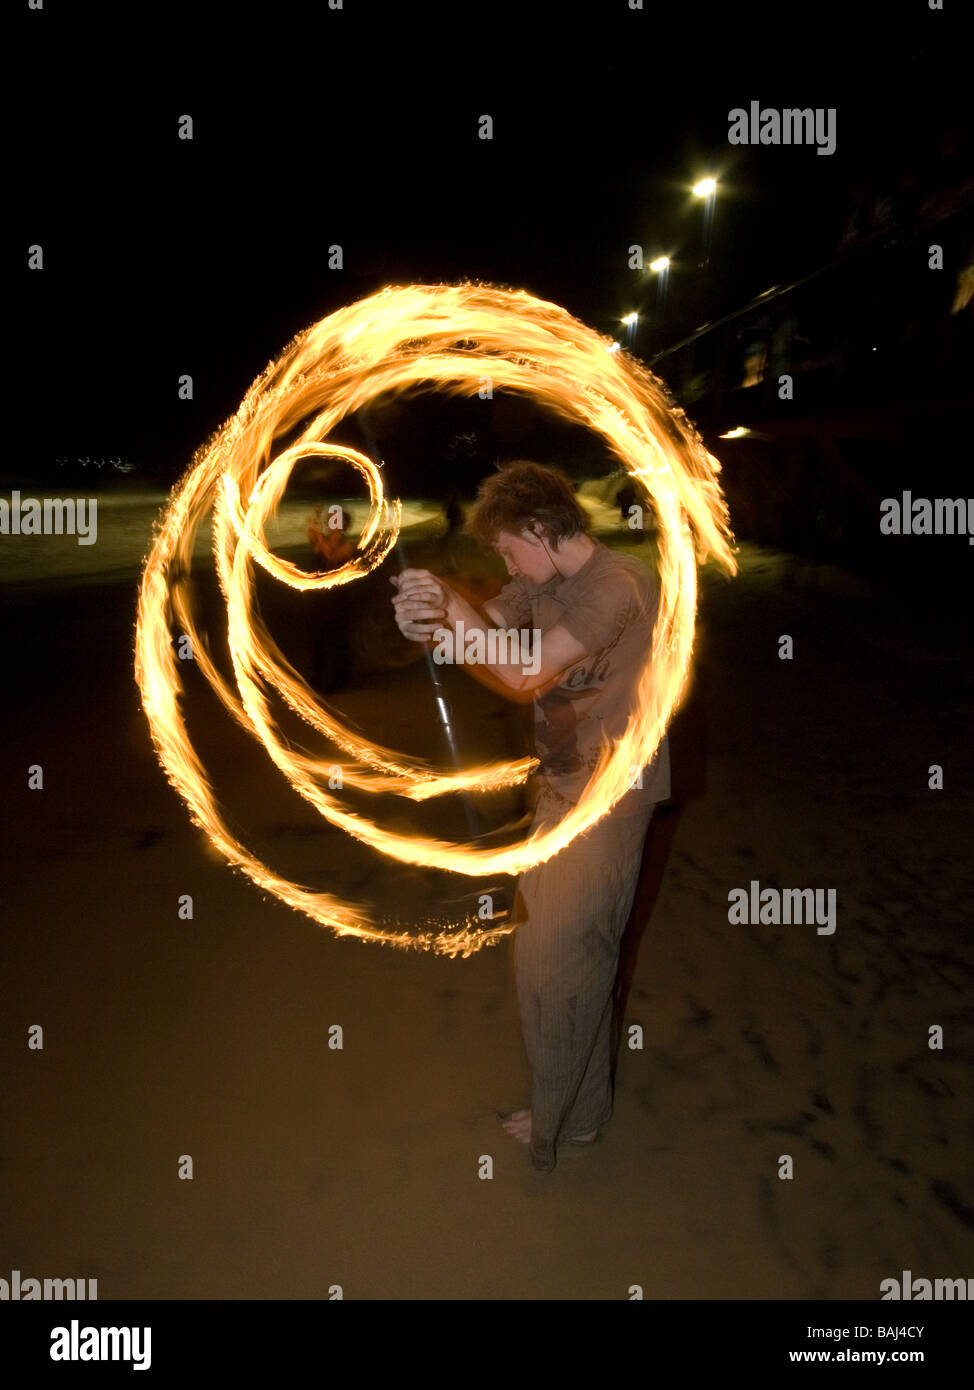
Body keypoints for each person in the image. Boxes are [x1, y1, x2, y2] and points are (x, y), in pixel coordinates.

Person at [391, 460, 670, 1173]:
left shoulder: (619, 585)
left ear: (541, 532)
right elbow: (487, 631)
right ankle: (572, 1107)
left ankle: (565, 1119)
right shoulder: (540, 579)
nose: (506, 565)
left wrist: (454, 614)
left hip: (609, 794)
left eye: (511, 550)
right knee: (555, 956)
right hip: (561, 787)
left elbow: (524, 671)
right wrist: (433, 615)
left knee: (563, 959)